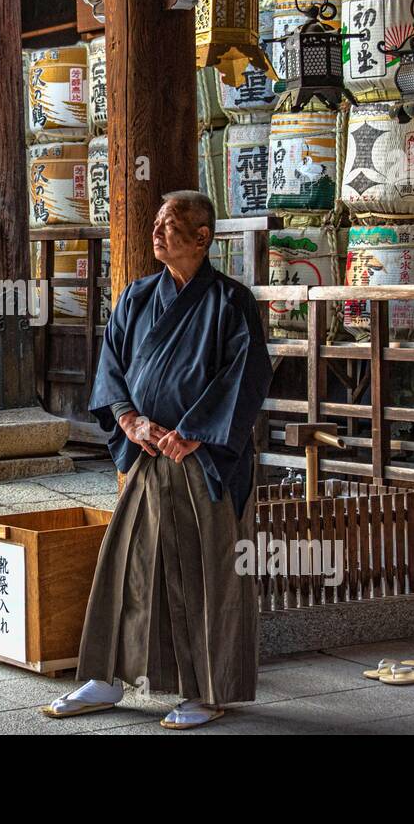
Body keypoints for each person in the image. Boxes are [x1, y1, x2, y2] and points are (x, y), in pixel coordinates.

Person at [42, 190, 272, 730]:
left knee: (208, 571)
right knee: (129, 566)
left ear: (202, 237)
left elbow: (246, 374)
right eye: (156, 223)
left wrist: (193, 433)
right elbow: (113, 366)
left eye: (171, 225)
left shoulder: (231, 301)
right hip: (146, 451)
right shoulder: (137, 297)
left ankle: (206, 691)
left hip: (206, 459)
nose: (158, 232)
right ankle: (105, 676)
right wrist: (128, 419)